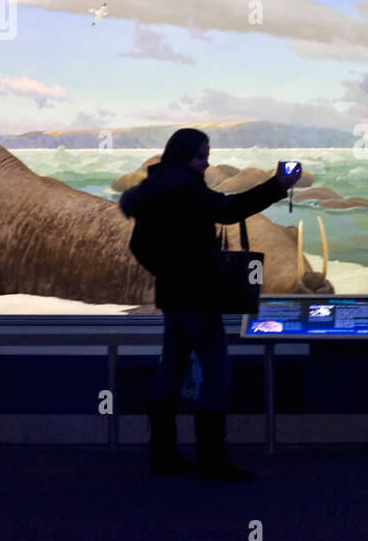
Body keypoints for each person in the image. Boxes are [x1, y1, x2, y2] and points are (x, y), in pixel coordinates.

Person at [119, 128, 302, 480]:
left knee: (171, 368)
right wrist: (277, 186)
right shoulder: (186, 188)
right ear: (183, 156)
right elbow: (229, 211)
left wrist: (166, 273)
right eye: (201, 155)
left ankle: (163, 453)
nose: (207, 162)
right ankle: (212, 461)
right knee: (217, 372)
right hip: (198, 297)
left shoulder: (155, 190)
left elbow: (139, 246)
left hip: (173, 296)